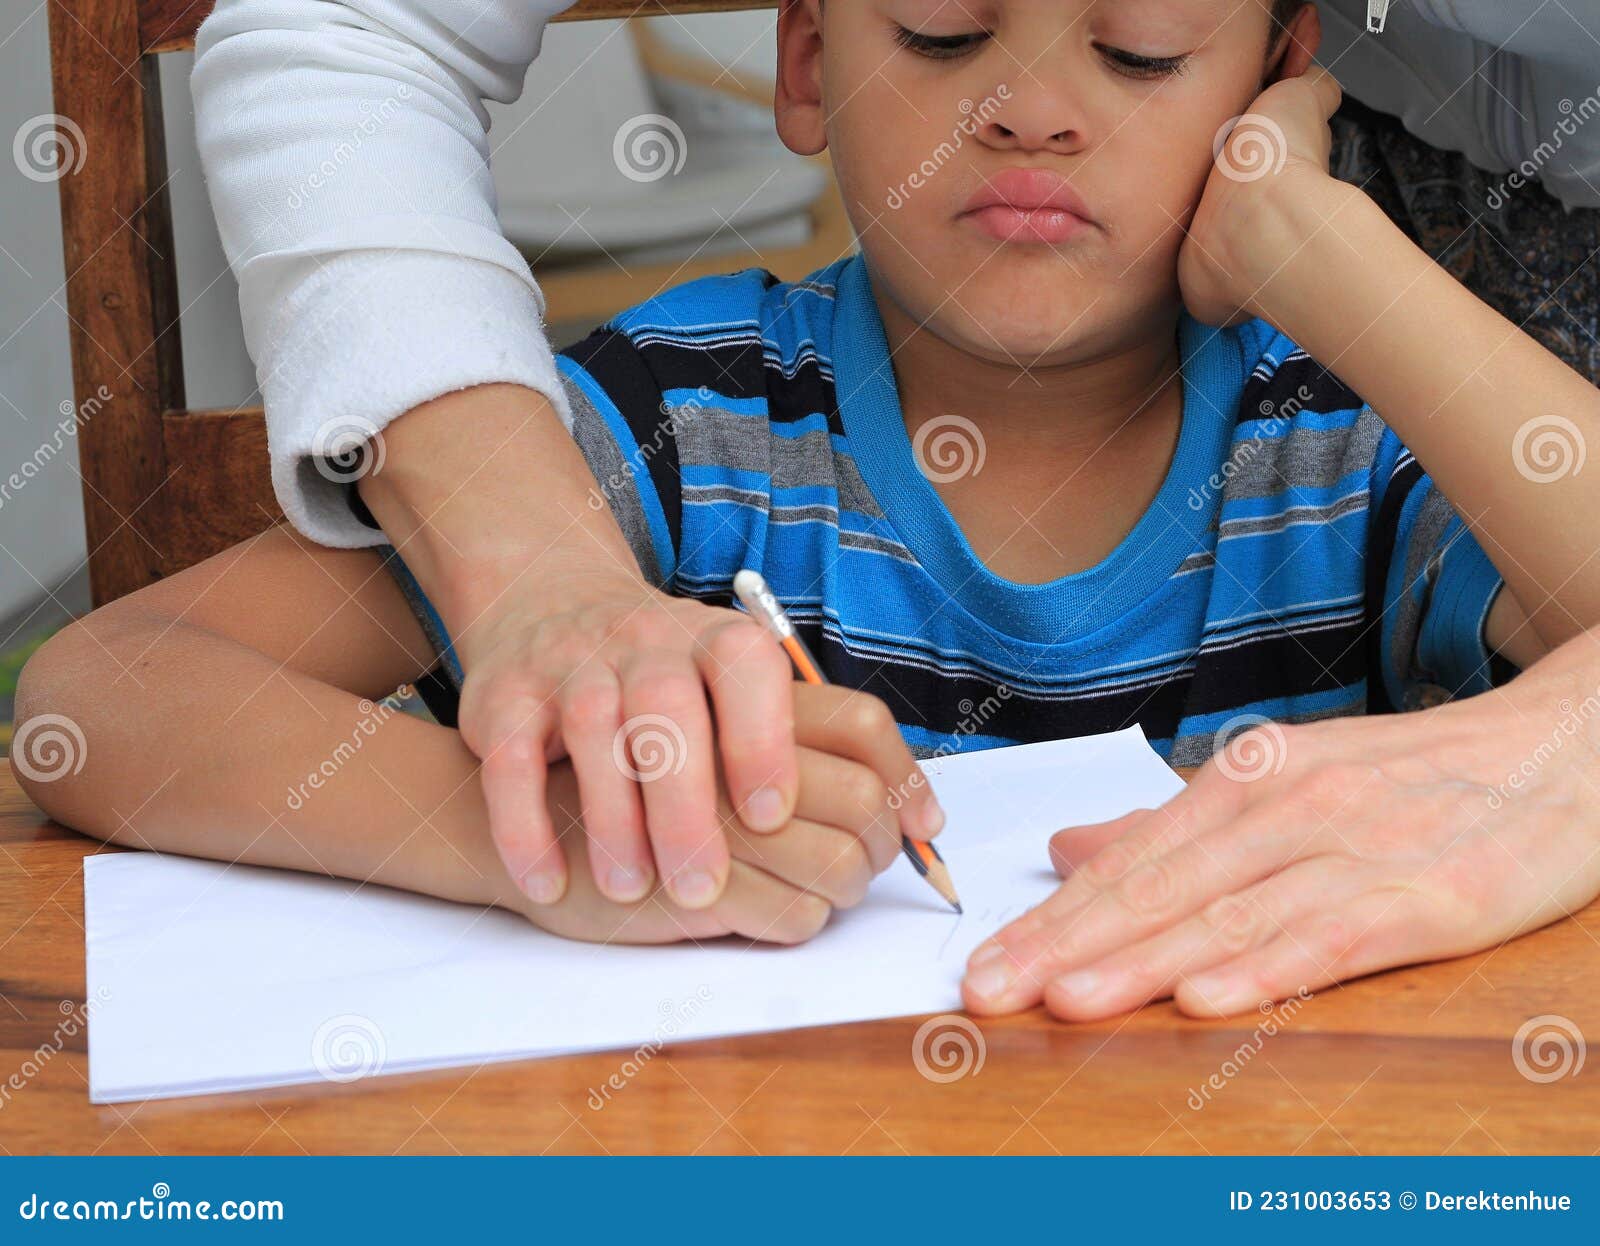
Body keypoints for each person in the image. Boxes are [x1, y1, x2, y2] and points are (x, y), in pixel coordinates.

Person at [22, 0, 1597, 1015]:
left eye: (1135, 54)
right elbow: (94, 703)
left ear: (1276, 75)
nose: (1035, 109)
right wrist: (522, 837)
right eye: (936, 32)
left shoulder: (1342, 440)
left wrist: (1319, 251)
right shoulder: (685, 424)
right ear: (805, 62)